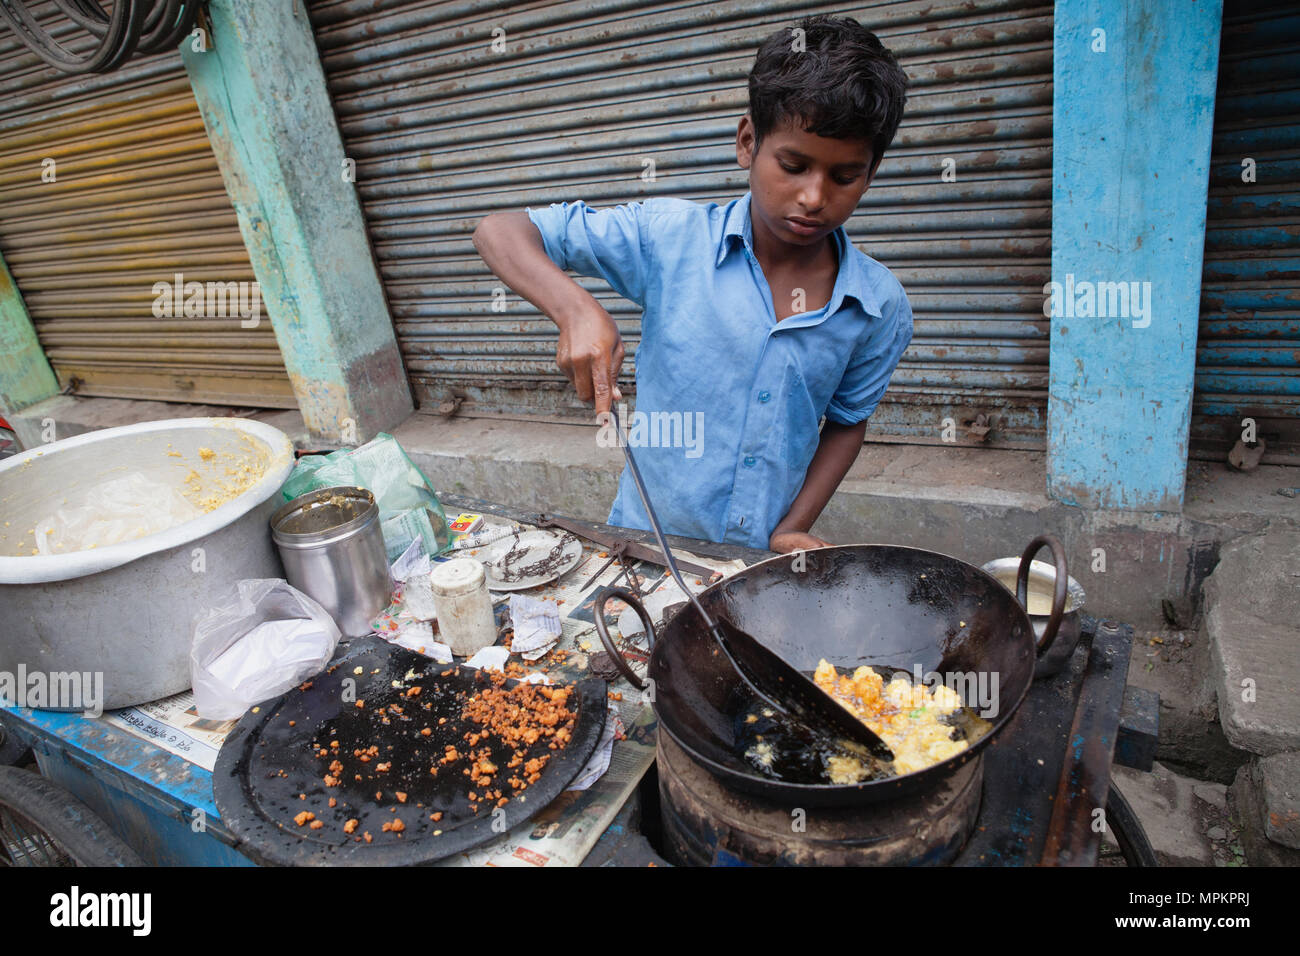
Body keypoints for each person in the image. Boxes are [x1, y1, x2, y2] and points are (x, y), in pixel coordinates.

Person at [473, 15, 912, 555]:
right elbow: (501, 230)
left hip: (758, 558)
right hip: (646, 540)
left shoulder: (878, 305)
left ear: (872, 171)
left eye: (844, 176)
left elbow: (846, 424)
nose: (814, 197)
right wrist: (574, 309)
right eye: (794, 165)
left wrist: (792, 527)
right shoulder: (669, 237)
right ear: (748, 142)